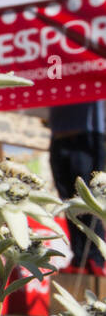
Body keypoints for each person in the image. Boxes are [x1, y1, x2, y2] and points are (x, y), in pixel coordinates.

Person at [49, 100, 105, 274]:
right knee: (69, 202)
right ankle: (79, 258)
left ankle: (95, 259)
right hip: (59, 137)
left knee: (88, 200)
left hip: (88, 137)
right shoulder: (53, 74)